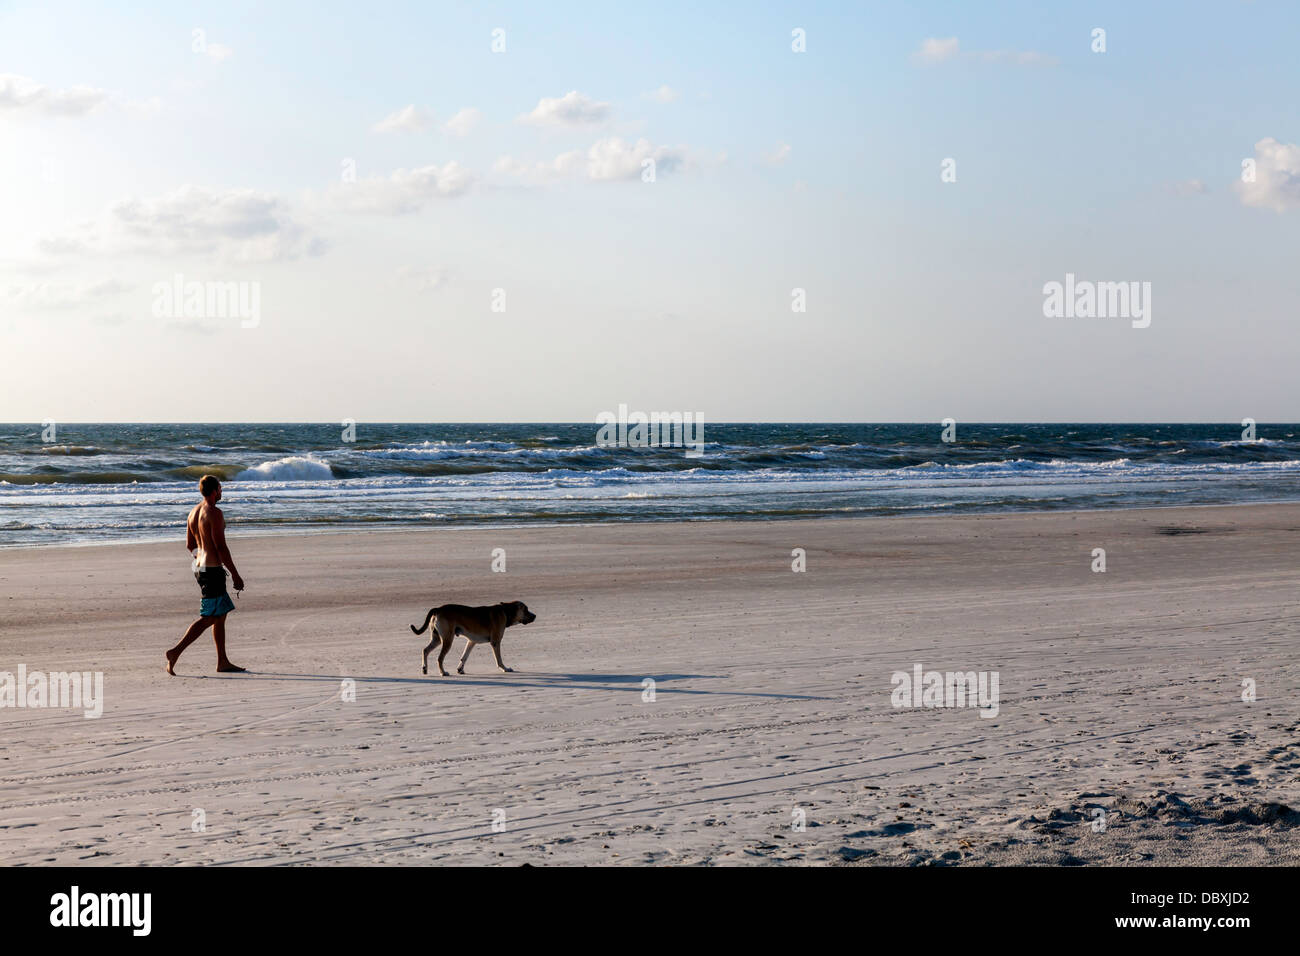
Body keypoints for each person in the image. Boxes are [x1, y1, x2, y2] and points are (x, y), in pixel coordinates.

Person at [166, 475, 246, 675]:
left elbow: (190, 545)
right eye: (220, 488)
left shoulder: (193, 512)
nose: (222, 491)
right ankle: (175, 652)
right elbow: (220, 547)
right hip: (211, 570)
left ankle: (222, 661)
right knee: (209, 617)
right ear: (214, 490)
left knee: (220, 615)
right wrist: (235, 574)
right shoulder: (214, 513)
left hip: (200, 568)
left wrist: (200, 561)